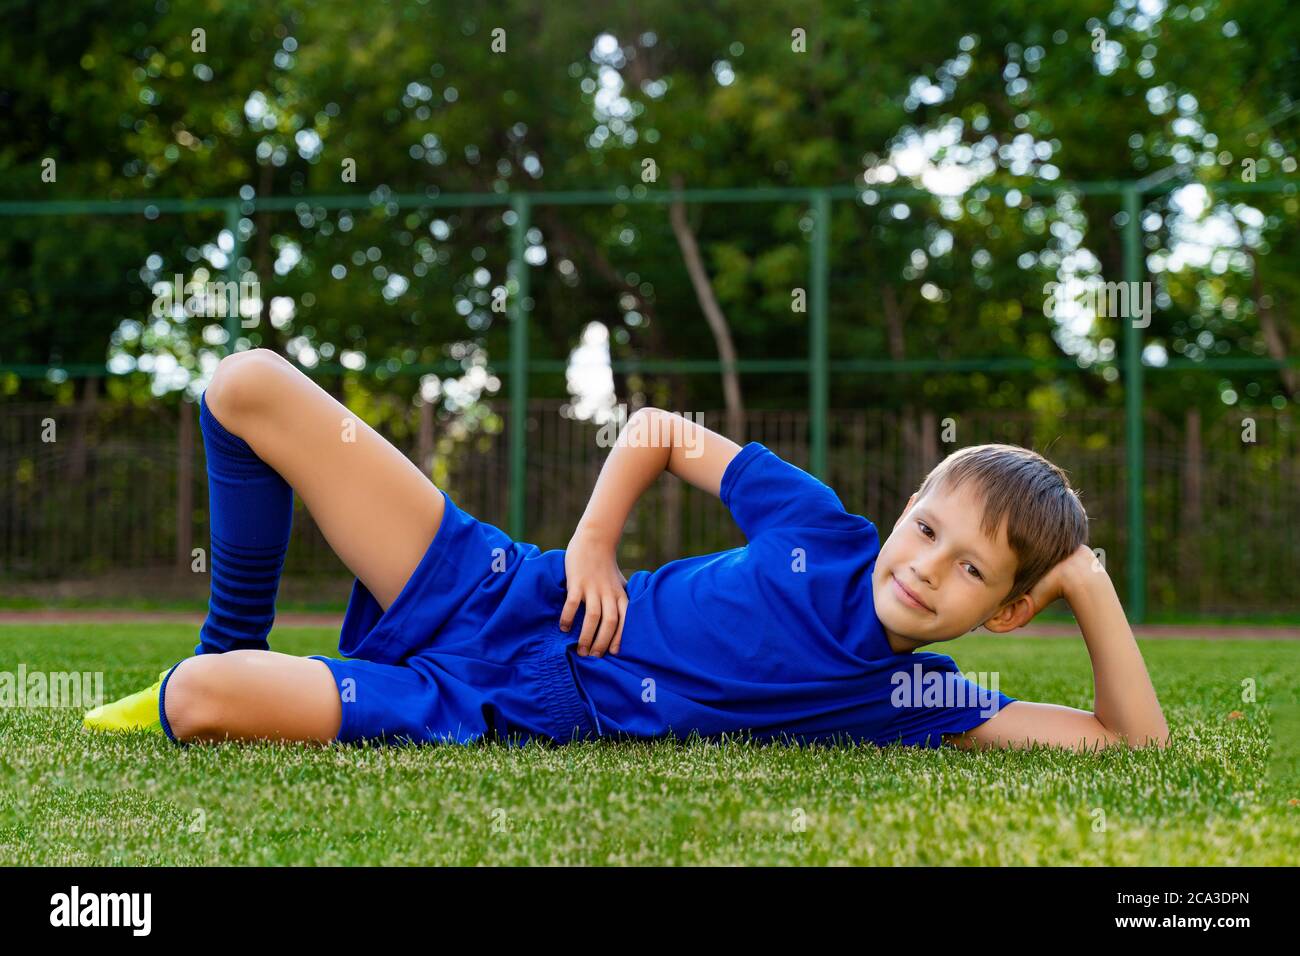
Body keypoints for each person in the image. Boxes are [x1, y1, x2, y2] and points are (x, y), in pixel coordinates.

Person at [84, 348, 1170, 752]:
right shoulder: (818, 525)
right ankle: (232, 631)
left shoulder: (917, 697)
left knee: (201, 701)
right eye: (928, 527)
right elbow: (655, 430)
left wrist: (1086, 578)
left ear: (1007, 609)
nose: (927, 567)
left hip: (504, 707)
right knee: (246, 384)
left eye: (973, 570)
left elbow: (1132, 741)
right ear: (905, 505)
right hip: (503, 581)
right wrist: (594, 545)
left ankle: (221, 667)